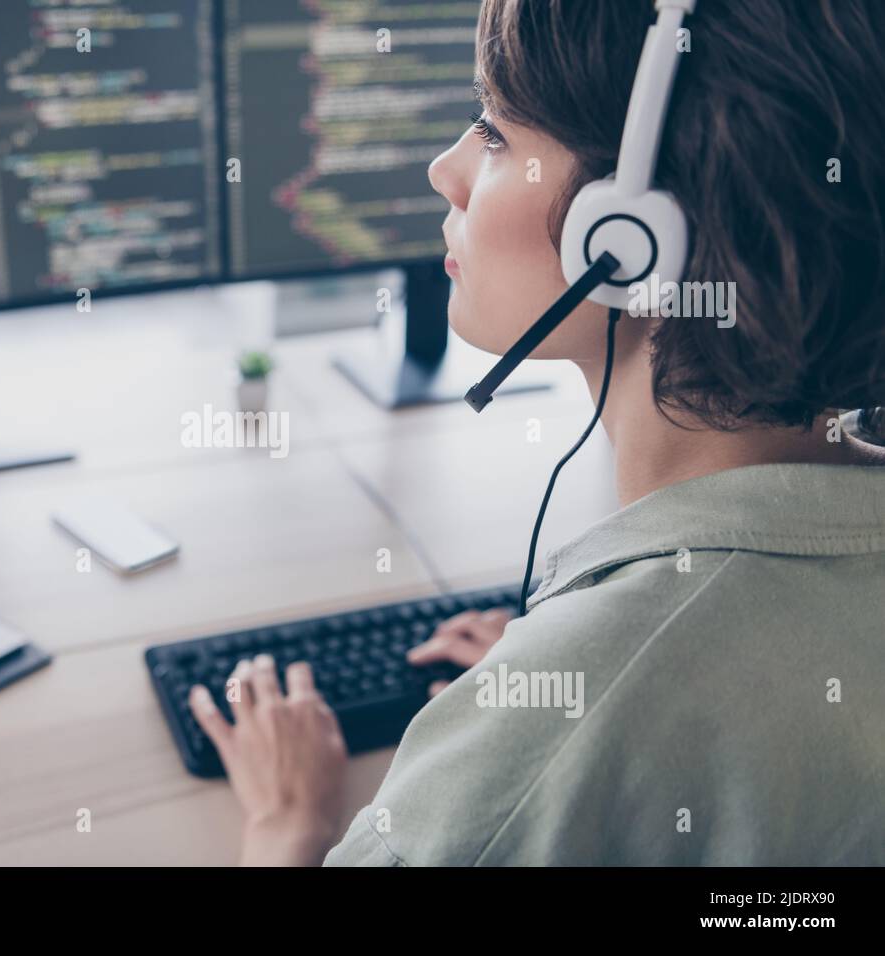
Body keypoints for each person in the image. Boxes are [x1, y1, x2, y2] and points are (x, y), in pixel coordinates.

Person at [189, 0, 885, 866]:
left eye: (492, 134)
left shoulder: (539, 747)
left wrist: (285, 824)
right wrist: (580, 666)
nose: (446, 171)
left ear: (630, 235)